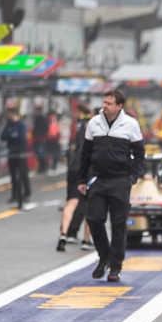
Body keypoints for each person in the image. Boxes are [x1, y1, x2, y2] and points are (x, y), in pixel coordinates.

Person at [77, 90, 146, 282]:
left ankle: (115, 267)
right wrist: (81, 180)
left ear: (119, 106)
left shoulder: (130, 124)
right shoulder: (94, 123)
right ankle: (104, 256)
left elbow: (140, 154)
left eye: (109, 103)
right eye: (104, 102)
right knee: (94, 218)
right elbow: (85, 154)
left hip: (121, 180)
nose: (104, 106)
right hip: (99, 179)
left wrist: (133, 176)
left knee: (118, 225)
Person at [57, 103, 93, 252]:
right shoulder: (92, 126)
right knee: (90, 204)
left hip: (73, 168)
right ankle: (86, 240)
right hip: (87, 169)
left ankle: (63, 235)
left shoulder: (77, 126)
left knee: (71, 202)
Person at [1, 107, 31, 204]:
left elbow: (21, 138)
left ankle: (26, 194)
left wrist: (12, 136)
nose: (8, 116)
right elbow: (3, 136)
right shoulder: (8, 125)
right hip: (12, 153)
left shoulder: (21, 124)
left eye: (9, 114)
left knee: (23, 175)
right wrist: (12, 135)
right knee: (13, 176)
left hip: (21, 153)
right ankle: (14, 195)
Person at [32, 103, 49, 173]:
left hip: (41, 139)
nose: (36, 111)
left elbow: (46, 128)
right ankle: (41, 168)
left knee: (41, 154)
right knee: (38, 154)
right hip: (37, 139)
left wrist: (40, 134)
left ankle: (43, 168)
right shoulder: (36, 118)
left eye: (38, 110)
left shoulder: (42, 118)